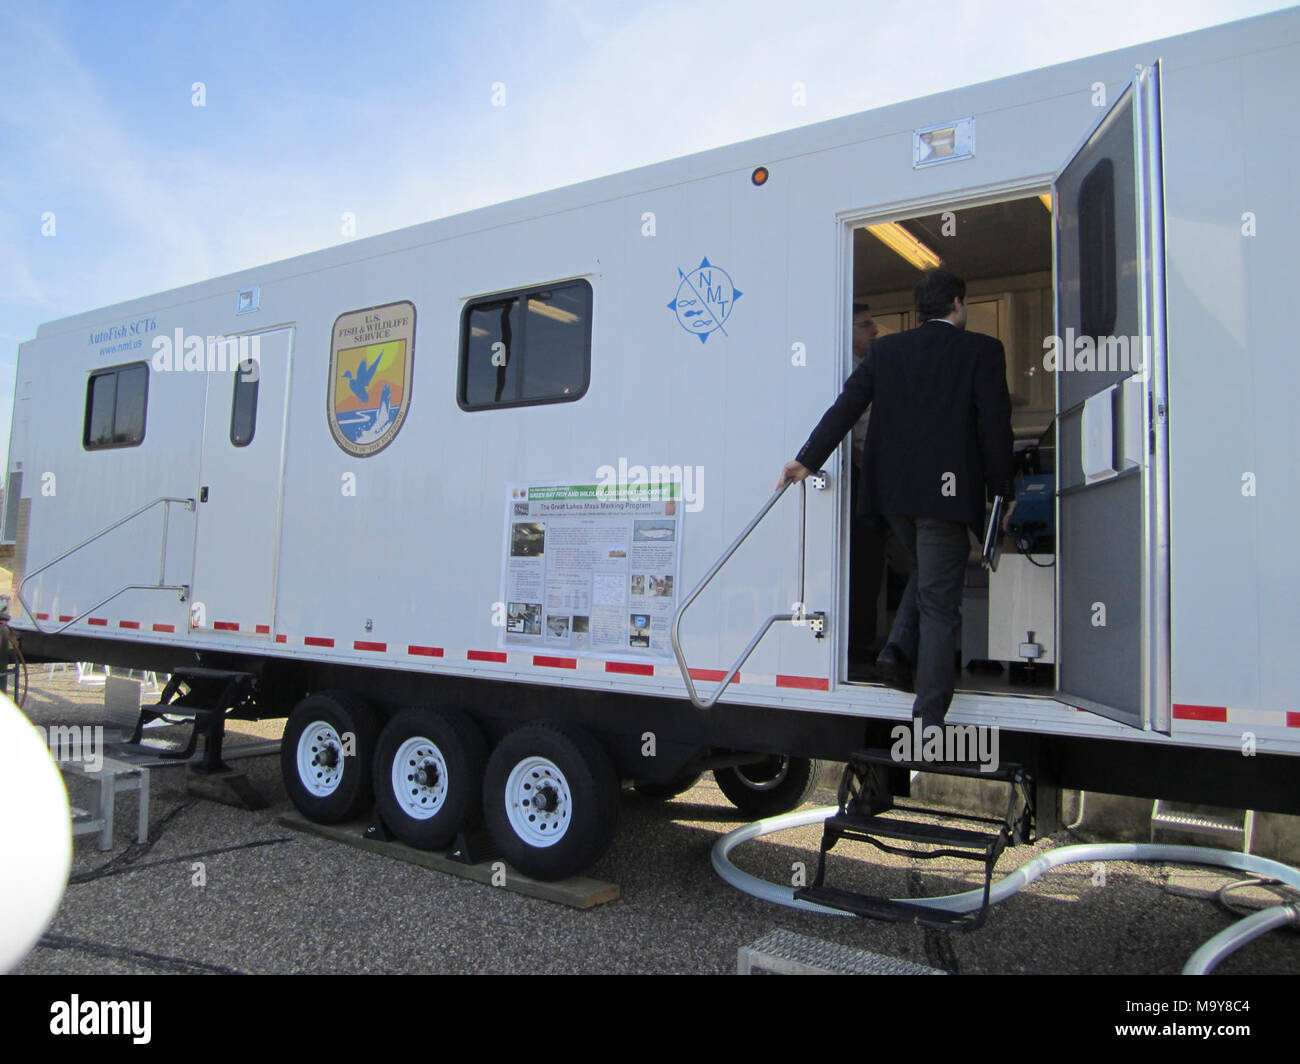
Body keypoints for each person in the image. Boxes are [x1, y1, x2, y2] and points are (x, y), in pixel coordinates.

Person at [778, 270, 1014, 727]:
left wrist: (807, 459)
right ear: (958, 304)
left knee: (928, 577)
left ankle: (895, 651)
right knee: (942, 601)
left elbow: (847, 404)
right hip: (945, 500)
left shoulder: (887, 351)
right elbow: (995, 430)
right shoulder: (983, 351)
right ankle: (928, 715)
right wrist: (1002, 495)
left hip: (891, 496)